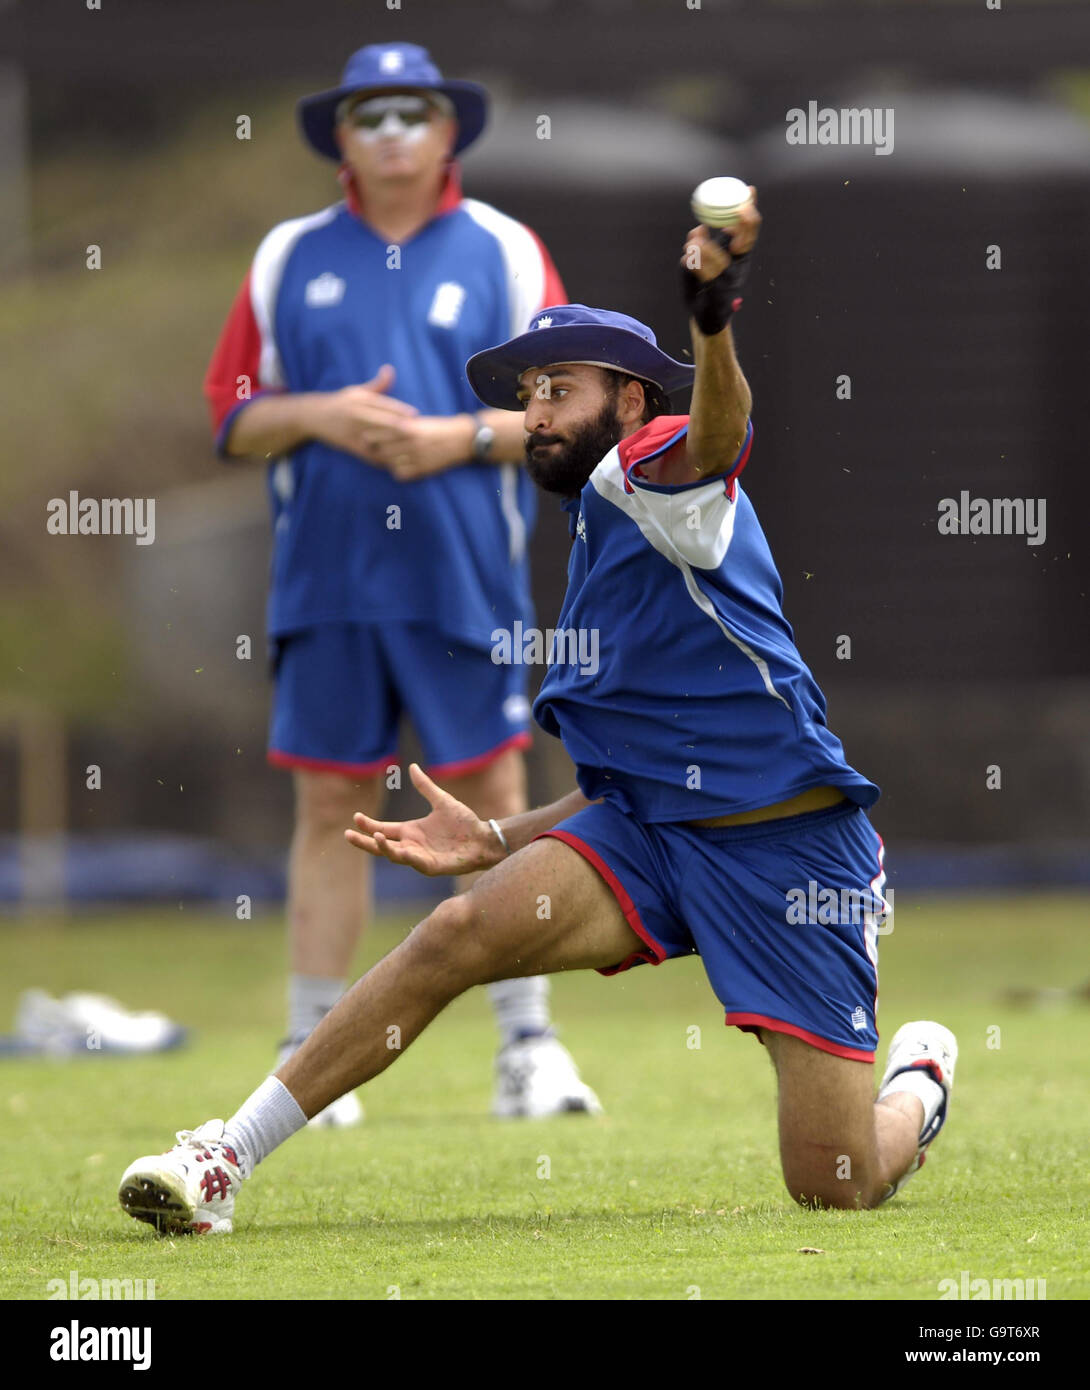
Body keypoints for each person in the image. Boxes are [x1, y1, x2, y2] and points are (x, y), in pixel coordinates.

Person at [120, 191, 957, 1233]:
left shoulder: (655, 474)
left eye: (558, 388)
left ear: (634, 401)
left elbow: (719, 431)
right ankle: (220, 1157)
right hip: (654, 837)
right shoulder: (596, 527)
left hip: (789, 858)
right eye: (528, 392)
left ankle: (918, 1082)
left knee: (832, 1183)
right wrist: (498, 837)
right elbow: (642, 780)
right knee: (455, 932)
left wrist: (711, 322)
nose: (536, 412)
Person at [202, 42, 600, 1124]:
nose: (388, 133)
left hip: (463, 580)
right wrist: (322, 414)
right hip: (327, 585)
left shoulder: (505, 251)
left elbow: (567, 414)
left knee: (495, 801)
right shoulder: (289, 255)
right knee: (330, 803)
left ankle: (527, 1048)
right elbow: (234, 414)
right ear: (341, 137)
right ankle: (308, 1057)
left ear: (447, 131)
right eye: (366, 115)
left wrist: (454, 436)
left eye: (410, 112)